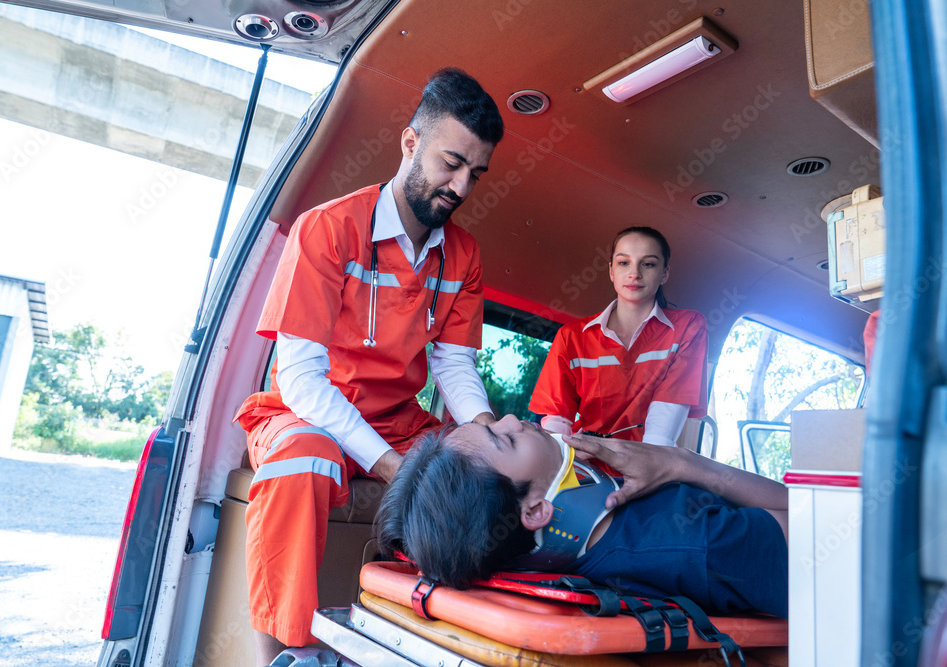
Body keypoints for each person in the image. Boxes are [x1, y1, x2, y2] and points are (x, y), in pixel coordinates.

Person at [233, 67, 504, 660]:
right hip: (307, 413)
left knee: (483, 474)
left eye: (475, 174)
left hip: (400, 419)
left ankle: (428, 636)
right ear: (410, 143)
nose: (460, 187)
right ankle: (282, 651)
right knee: (303, 456)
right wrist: (386, 464)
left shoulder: (464, 253)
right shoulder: (328, 229)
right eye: (450, 163)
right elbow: (301, 378)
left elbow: (454, 366)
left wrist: (485, 434)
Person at [376, 415, 789, 618]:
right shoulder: (700, 544)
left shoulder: (541, 561)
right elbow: (821, 523)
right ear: (537, 510)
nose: (512, 418)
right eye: (506, 439)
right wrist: (680, 461)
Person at [529, 227, 708, 446]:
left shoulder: (688, 327)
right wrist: (562, 468)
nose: (635, 274)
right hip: (586, 466)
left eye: (648, 264)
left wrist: (646, 470)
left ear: (664, 273)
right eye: (624, 263)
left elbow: (662, 432)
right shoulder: (571, 336)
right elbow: (556, 421)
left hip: (650, 464)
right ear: (611, 271)